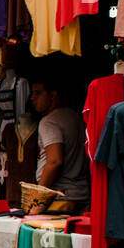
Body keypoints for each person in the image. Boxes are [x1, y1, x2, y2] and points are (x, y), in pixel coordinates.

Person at [30, 79, 90, 212]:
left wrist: (38, 198)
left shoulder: (49, 122)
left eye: (38, 93)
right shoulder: (76, 117)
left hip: (59, 198)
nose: (32, 98)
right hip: (82, 195)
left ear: (52, 96)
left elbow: (54, 161)